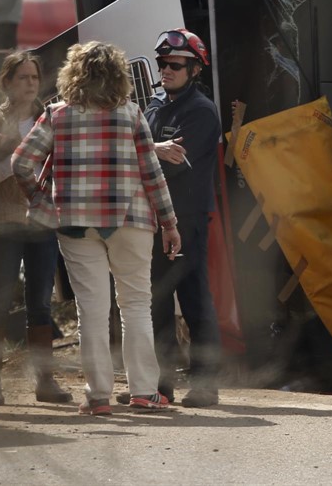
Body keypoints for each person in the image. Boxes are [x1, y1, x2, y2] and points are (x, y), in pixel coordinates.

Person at [12, 41, 181, 416]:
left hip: (75, 222)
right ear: (118, 76)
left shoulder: (56, 115)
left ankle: (98, 396)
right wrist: (169, 222)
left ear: (72, 75)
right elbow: (152, 174)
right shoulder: (132, 114)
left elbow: (21, 162)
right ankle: (144, 391)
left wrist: (41, 198)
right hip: (131, 219)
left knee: (91, 310)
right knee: (135, 305)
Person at [0, 52, 71, 405]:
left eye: (34, 77)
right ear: (7, 82)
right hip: (5, 221)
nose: (30, 83)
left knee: (40, 302)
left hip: (42, 220)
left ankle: (44, 381)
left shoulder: (49, 117)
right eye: (23, 77)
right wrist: (14, 153)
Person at [140, 29, 222, 408]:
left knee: (193, 299)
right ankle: (161, 384)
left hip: (186, 219)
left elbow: (175, 165)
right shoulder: (155, 106)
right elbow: (149, 158)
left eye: (175, 64)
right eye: (162, 63)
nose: (166, 70)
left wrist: (145, 154)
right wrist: (153, 151)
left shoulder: (201, 111)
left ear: (195, 69)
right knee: (156, 302)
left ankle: (205, 384)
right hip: (154, 217)